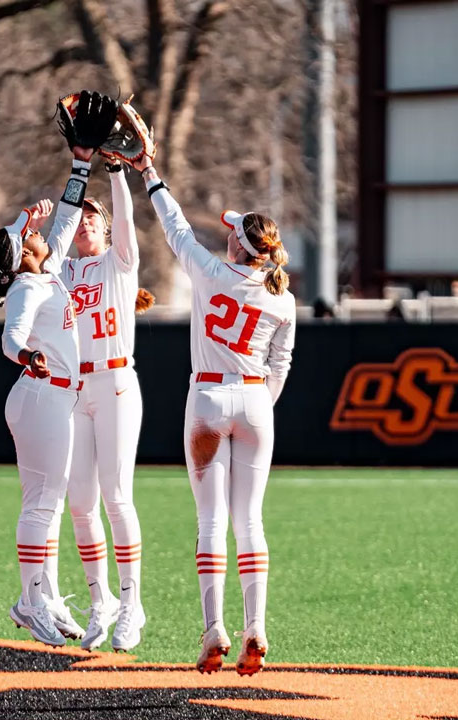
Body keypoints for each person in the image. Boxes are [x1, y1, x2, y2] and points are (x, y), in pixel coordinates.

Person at [131, 154, 296, 675]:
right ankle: (257, 626)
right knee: (250, 521)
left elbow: (175, 225)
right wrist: (258, 408)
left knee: (210, 520)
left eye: (232, 231)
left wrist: (149, 172)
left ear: (235, 244)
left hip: (206, 398)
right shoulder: (282, 298)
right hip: (253, 401)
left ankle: (214, 630)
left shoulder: (207, 270)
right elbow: (281, 365)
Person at [0, 147, 99, 647]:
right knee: (41, 505)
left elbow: (66, 217)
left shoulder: (44, 271)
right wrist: (26, 355)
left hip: (50, 398)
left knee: (50, 502)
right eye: (29, 237)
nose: (39, 237)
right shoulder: (27, 286)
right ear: (24, 254)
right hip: (40, 394)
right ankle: (28, 601)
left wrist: (82, 165)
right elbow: (9, 338)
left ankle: (43, 596)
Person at [46, 161, 149, 652]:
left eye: (94, 217)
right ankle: (101, 600)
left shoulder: (118, 262)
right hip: (75, 391)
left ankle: (132, 604)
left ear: (106, 228)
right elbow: (54, 235)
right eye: (81, 216)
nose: (85, 221)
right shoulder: (60, 270)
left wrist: (116, 174)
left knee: (116, 497)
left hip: (114, 383)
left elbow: (126, 221)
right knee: (80, 503)